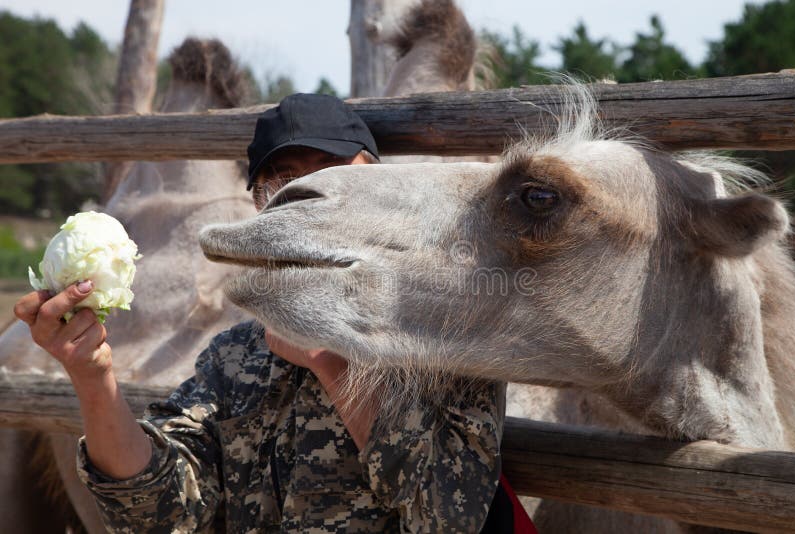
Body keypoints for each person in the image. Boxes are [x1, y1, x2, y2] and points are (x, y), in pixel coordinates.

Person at [14, 93, 507, 532]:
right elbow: (158, 511)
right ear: (260, 206)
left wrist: (329, 362)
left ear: (377, 183)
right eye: (286, 179)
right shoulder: (236, 357)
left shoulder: (445, 345)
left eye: (330, 168)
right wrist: (93, 375)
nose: (307, 192)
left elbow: (447, 517)